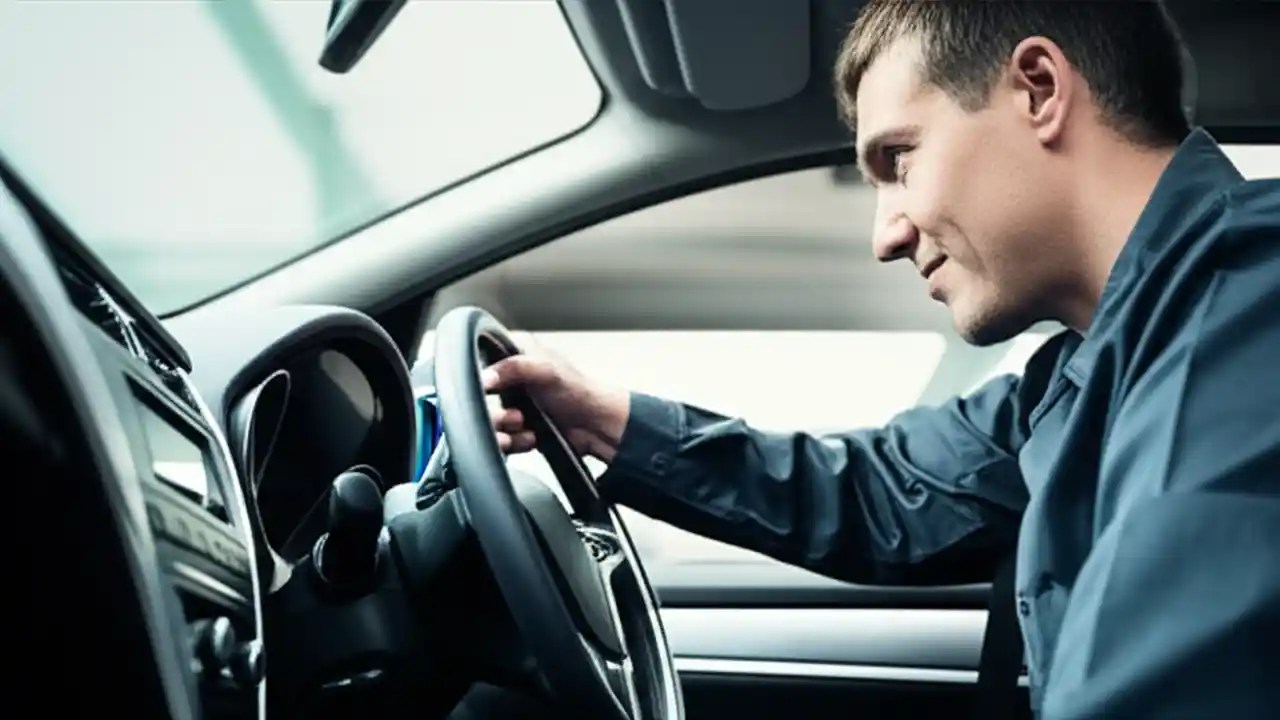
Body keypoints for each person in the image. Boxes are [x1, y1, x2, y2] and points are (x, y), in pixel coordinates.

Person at [482, 1, 1280, 717]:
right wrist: (607, 424)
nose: (885, 236)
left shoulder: (1253, 299)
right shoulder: (1077, 378)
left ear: (1038, 89)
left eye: (897, 160)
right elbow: (887, 492)